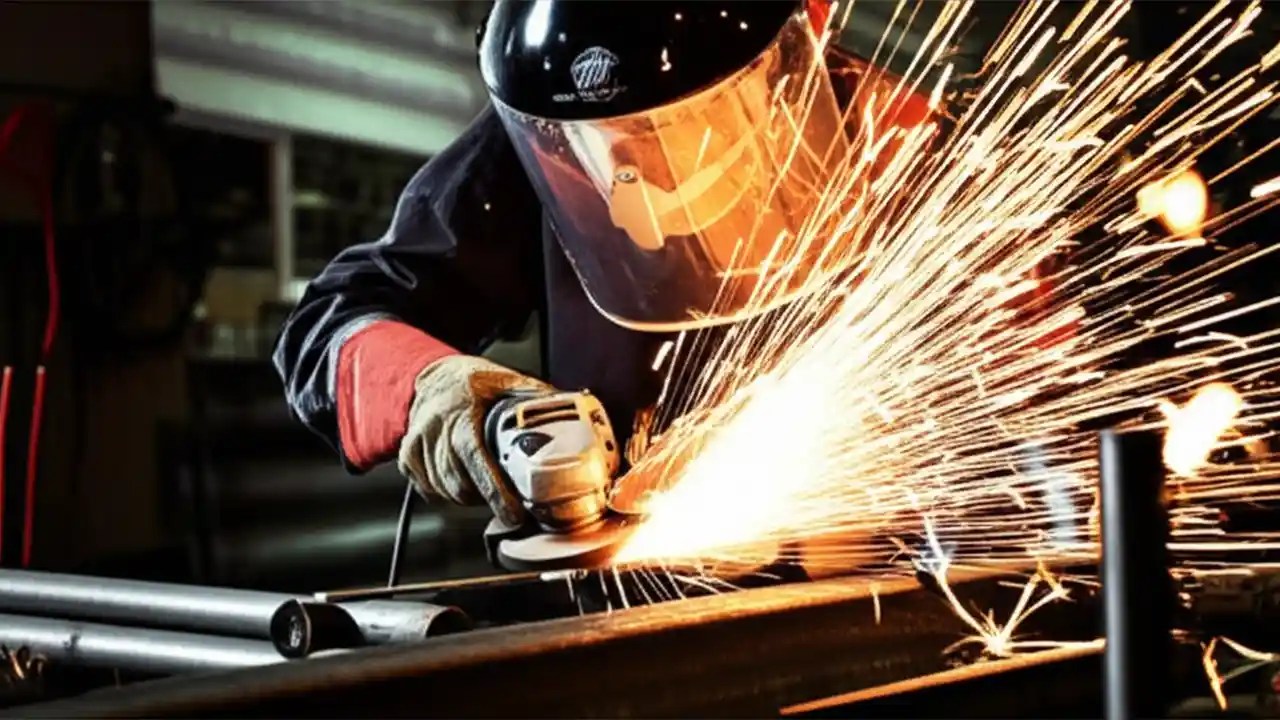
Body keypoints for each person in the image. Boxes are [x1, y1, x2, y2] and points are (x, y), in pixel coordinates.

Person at [273, 0, 928, 530]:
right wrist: (426, 385)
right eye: (605, 140)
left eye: (676, 129)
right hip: (617, 617)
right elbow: (332, 320)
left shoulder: (906, 145)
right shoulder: (548, 134)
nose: (630, 174)